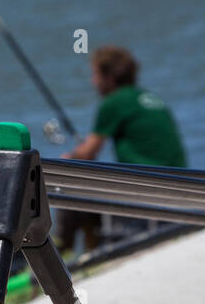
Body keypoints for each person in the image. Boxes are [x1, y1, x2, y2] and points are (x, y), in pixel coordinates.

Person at [54, 45, 187, 251]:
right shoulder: (150, 98)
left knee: (67, 185)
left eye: (95, 75)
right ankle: (91, 248)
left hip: (145, 187)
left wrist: (69, 156)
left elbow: (87, 152)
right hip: (178, 185)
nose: (93, 82)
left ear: (109, 78)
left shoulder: (114, 102)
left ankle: (59, 254)